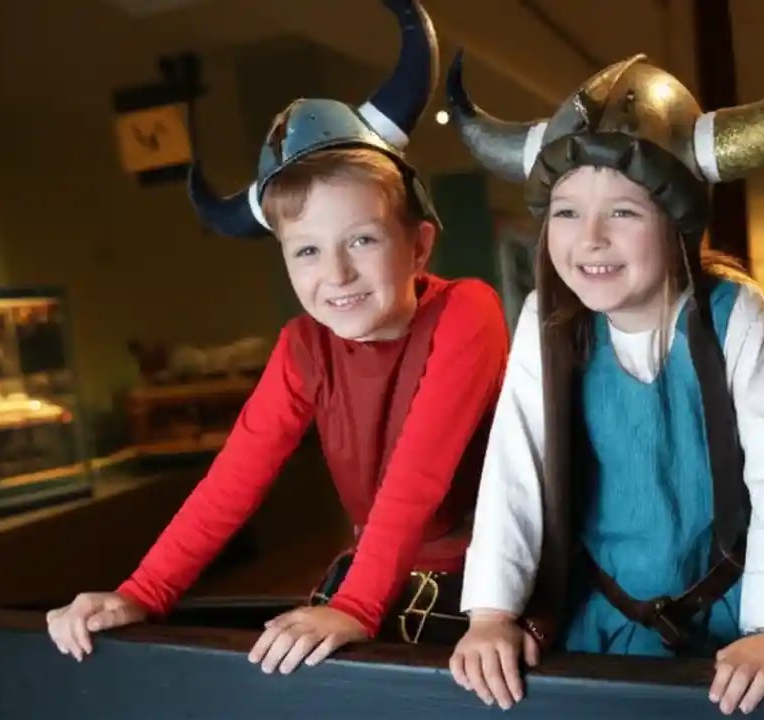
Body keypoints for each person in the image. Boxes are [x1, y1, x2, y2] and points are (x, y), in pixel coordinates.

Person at [45, 0, 509, 676]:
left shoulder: (469, 310)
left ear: (420, 246)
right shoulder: (302, 346)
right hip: (379, 571)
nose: (337, 275)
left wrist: (354, 605)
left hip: (492, 587)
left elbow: (418, 479)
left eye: (362, 240)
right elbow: (231, 482)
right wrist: (142, 591)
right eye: (307, 253)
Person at [443, 0, 764, 714]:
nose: (589, 238)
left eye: (624, 212)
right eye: (566, 212)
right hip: (596, 621)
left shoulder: (736, 316)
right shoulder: (549, 321)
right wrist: (492, 615)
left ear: (679, 219)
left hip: (732, 624)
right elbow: (516, 467)